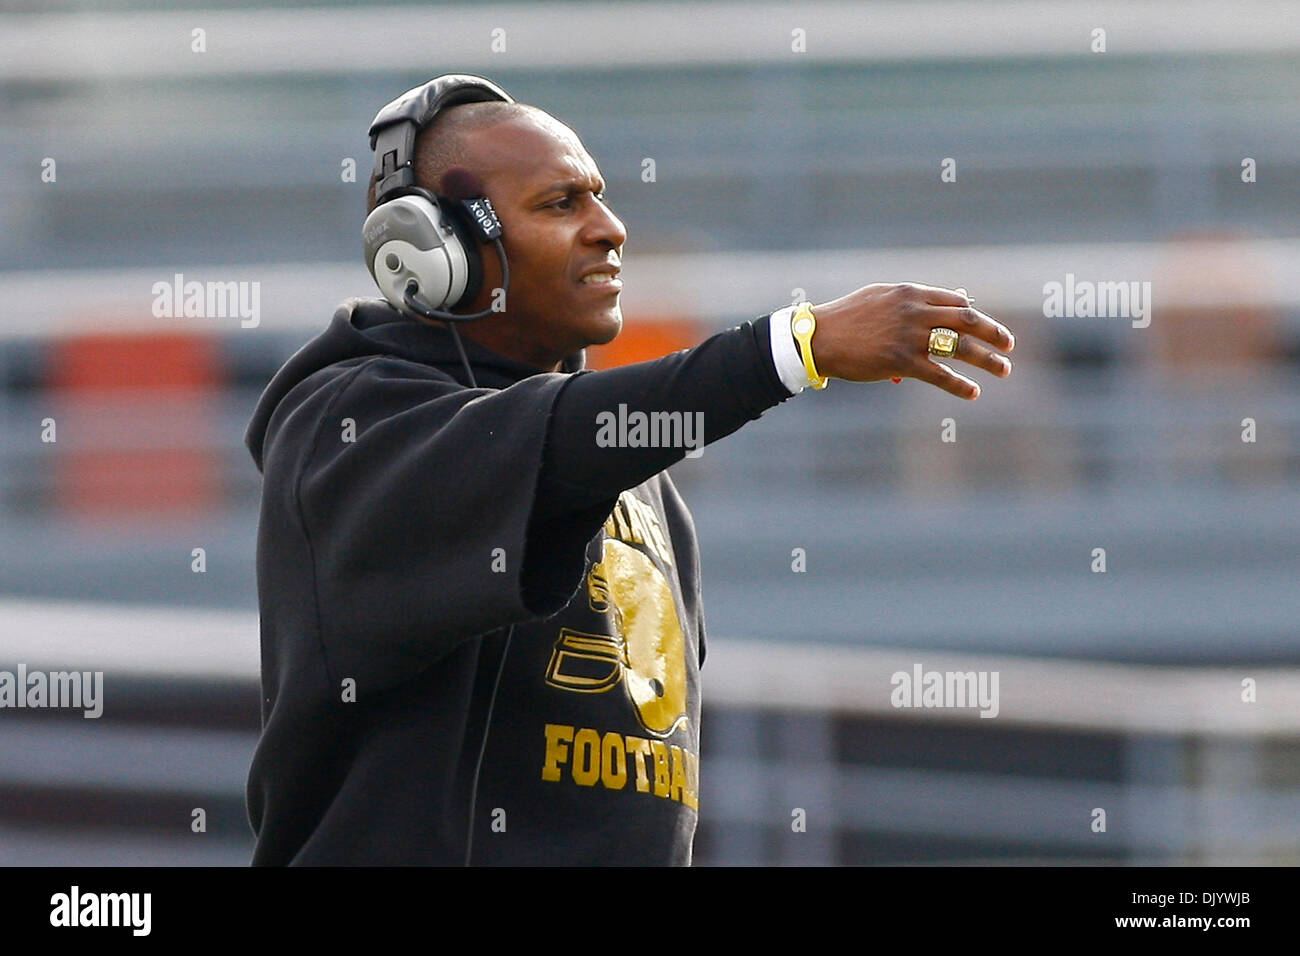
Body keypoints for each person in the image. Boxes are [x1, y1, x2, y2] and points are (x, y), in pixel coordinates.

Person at [243, 74, 1016, 866]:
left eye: (601, 198)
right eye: (560, 204)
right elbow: (551, 441)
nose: (610, 229)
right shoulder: (345, 424)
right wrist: (793, 348)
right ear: (440, 248)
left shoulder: (642, 479)